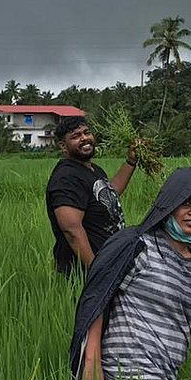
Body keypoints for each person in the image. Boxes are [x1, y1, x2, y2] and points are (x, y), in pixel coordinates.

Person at [69, 167, 191, 380]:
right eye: (186, 203)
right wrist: (91, 360)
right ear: (169, 204)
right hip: (128, 373)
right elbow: (97, 298)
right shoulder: (137, 246)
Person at [45, 116, 138, 276]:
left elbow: (109, 194)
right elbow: (71, 229)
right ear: (63, 146)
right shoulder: (67, 177)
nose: (84, 138)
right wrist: (96, 271)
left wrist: (130, 162)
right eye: (76, 136)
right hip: (82, 273)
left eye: (86, 132)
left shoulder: (92, 169)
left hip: (109, 263)